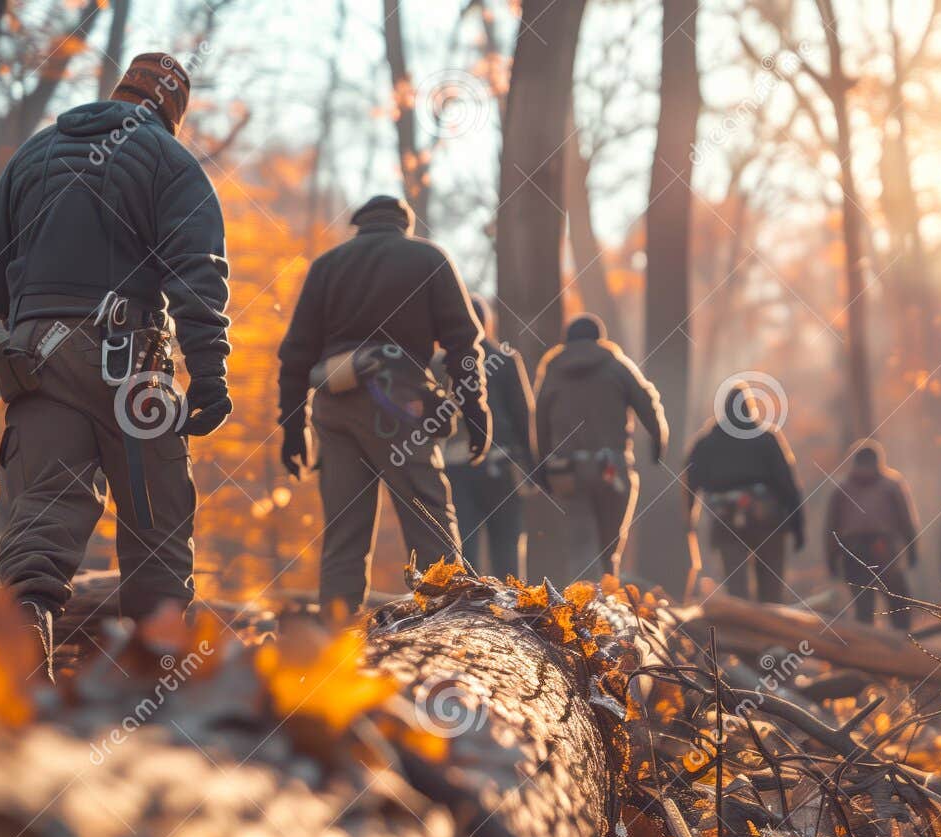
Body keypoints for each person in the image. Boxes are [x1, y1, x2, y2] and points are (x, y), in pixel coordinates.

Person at [0, 52, 231, 678]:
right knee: (156, 530)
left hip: (35, 358)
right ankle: (153, 694)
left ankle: (19, 690)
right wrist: (210, 372)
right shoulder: (170, 161)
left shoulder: (32, 154)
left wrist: (36, 326)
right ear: (173, 110)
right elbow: (199, 274)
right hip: (131, 362)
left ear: (119, 91)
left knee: (41, 520)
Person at [276, 195, 487, 612]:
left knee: (343, 540)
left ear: (360, 224)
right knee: (431, 530)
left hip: (334, 407)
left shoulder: (327, 266)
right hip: (399, 406)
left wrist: (292, 427)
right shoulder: (427, 259)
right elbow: (464, 342)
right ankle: (450, 638)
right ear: (403, 225)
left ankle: (336, 650)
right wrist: (476, 409)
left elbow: (295, 355)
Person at [532, 315, 668, 579]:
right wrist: (657, 441)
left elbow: (539, 419)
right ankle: (607, 595)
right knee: (610, 544)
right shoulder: (616, 366)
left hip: (567, 471)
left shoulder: (552, 370)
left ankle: (585, 605)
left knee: (580, 541)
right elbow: (647, 401)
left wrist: (541, 465)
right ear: (600, 338)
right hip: (612, 468)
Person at [685, 381, 804, 603]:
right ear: (750, 408)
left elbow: (689, 483)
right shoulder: (767, 439)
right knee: (771, 593)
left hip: (726, 521)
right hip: (768, 521)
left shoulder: (706, 443)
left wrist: (689, 521)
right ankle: (770, 631)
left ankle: (740, 629)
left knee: (737, 591)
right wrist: (798, 527)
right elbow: (788, 486)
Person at [441, 296, 534, 578]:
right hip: (500, 463)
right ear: (487, 322)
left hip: (455, 466)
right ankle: (512, 606)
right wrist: (531, 467)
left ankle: (467, 606)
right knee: (506, 539)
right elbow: (523, 415)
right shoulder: (504, 359)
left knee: (463, 540)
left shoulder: (438, 362)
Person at [826, 439, 919, 630]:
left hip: (856, 550)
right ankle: (902, 644)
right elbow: (906, 520)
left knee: (865, 606)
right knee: (897, 601)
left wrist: (832, 558)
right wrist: (912, 548)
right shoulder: (891, 485)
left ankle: (873, 646)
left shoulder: (842, 488)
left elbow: (831, 529)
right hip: (880, 549)